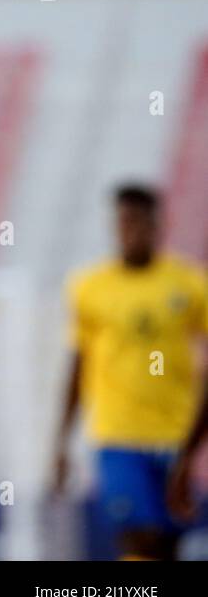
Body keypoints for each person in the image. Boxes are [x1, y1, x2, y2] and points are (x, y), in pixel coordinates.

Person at [53, 184, 208, 560]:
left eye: (141, 221)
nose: (132, 230)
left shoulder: (189, 285)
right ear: (115, 226)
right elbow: (79, 363)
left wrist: (192, 445)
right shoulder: (90, 288)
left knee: (169, 542)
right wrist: (60, 441)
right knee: (141, 535)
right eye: (125, 222)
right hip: (117, 435)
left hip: (175, 434)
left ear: (159, 225)